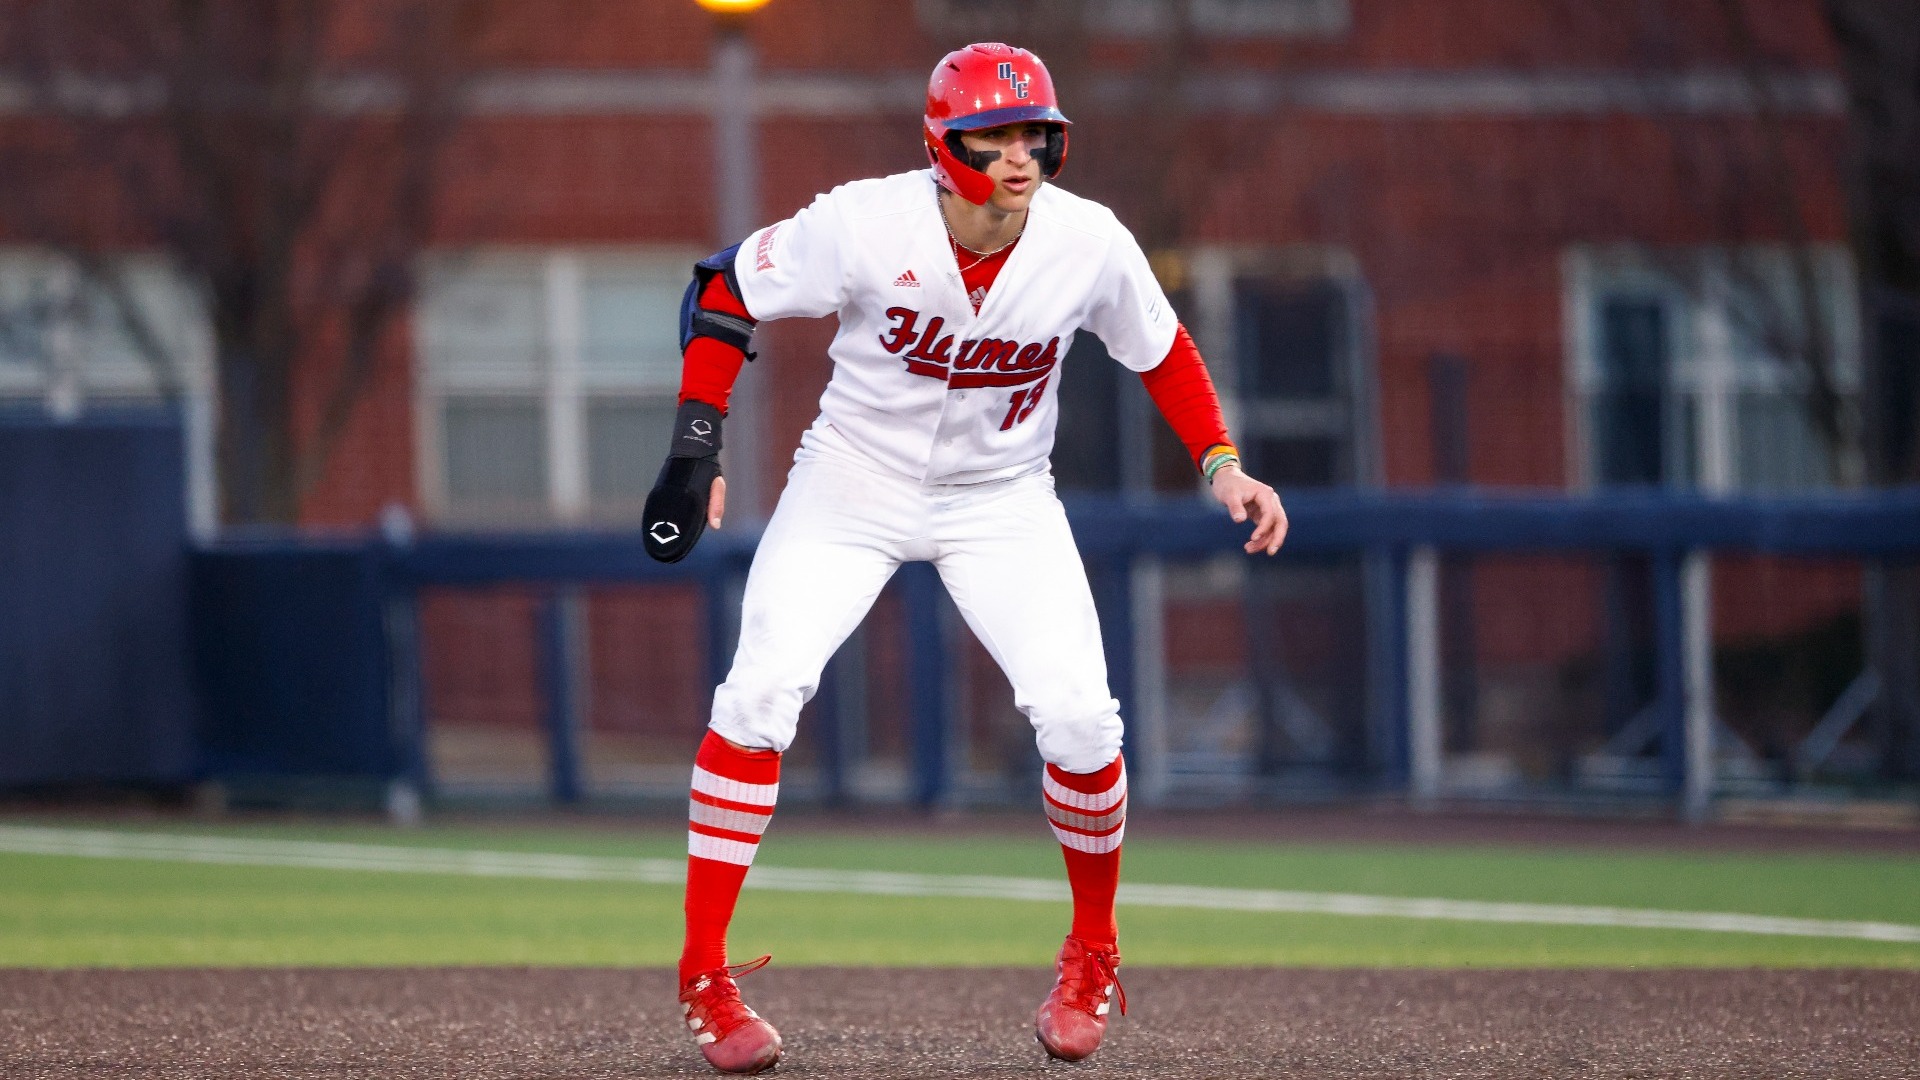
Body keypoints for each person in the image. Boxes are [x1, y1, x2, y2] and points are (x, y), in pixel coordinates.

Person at [643, 41, 1288, 1075]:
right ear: (945, 146)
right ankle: (704, 974)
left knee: (1082, 717)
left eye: (1034, 132)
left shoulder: (1088, 241)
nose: (1021, 154)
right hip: (851, 481)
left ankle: (1092, 950)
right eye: (996, 135)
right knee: (759, 693)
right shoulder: (863, 220)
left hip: (1002, 499)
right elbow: (724, 291)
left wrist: (1223, 463)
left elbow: (1161, 349)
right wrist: (695, 442)